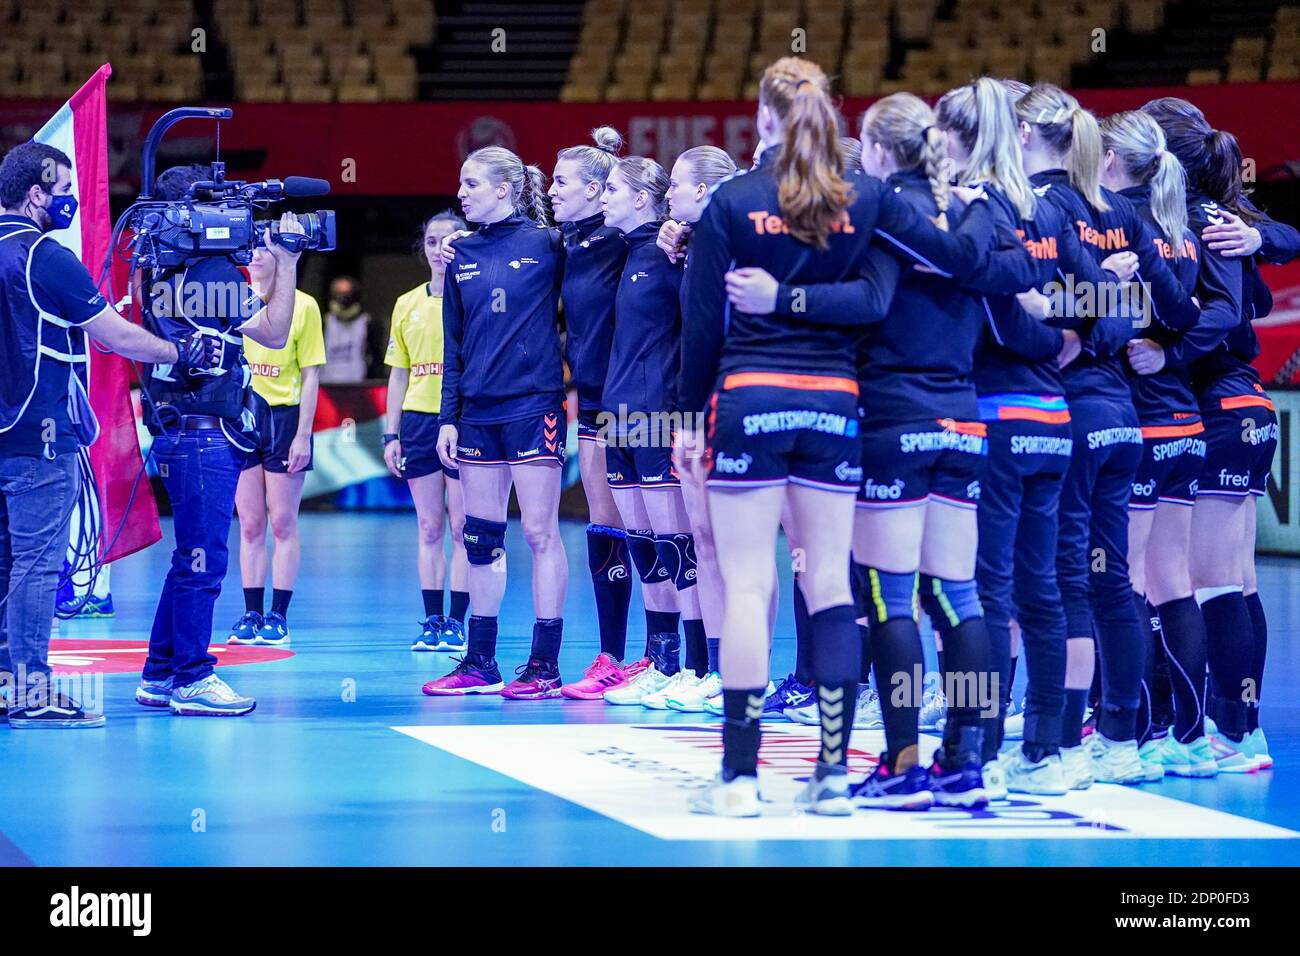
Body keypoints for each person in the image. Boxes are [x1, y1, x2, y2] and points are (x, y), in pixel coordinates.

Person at [679, 57, 1023, 817]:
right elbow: (946, 273)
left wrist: (682, 416)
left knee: (759, 587)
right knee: (866, 588)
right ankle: (859, 771)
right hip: (863, 408)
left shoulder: (734, 202)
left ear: (764, 118)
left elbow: (702, 328)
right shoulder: (864, 199)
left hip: (781, 402)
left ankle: (744, 778)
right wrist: (983, 206)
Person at [935, 77, 1117, 796]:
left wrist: (1046, 332)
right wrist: (1069, 334)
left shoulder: (976, 211)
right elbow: (1115, 305)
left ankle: (975, 746)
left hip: (998, 420)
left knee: (984, 592)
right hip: (1052, 422)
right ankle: (1048, 749)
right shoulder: (1047, 208)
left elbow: (1006, 318)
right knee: (1040, 587)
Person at [1014, 83, 1199, 784]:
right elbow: (1169, 310)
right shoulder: (1121, 213)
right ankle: (1119, 739)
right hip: (1122, 413)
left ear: (1029, 137)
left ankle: (1058, 747)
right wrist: (1106, 312)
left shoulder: (1045, 208)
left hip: (1072, 416)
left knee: (1066, 581)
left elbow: (1029, 305)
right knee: (1109, 581)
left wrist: (1064, 329)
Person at [0, 143, 217, 727]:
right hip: (39, 435)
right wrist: (182, 351)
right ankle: (28, 689)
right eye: (64, 188)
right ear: (37, 193)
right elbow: (115, 336)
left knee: (6, 563)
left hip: (7, 431)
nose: (72, 199)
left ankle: (6, 682)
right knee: (38, 564)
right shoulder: (46, 255)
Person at [1142, 97, 1299, 772]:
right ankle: (1243, 729)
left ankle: (1218, 736)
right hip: (1249, 408)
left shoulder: (1195, 220)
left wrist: (1163, 353)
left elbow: (1275, 251)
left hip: (1218, 410)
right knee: (1235, 579)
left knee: (1203, 581)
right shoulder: (1217, 214)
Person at [133, 163, 305, 717]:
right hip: (204, 434)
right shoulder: (210, 272)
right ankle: (191, 678)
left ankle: (161, 673)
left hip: (181, 429)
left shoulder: (161, 266)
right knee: (204, 560)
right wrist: (288, 263)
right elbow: (275, 333)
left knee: (190, 556)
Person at [422, 146, 570, 700]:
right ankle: (480, 662)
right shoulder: (460, 255)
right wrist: (448, 418)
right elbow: (453, 344)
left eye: (472, 184)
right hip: (476, 414)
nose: (461, 194)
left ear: (505, 189)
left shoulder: (547, 244)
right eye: (461, 184)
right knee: (479, 537)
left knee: (538, 532)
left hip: (533, 406)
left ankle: (545, 666)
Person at [588, 155, 711, 709]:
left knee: (678, 545)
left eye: (612, 188)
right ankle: (661, 664)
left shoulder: (674, 254)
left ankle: (698, 666)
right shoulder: (631, 252)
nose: (603, 196)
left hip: (661, 413)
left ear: (643, 198)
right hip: (619, 413)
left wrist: (691, 416)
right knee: (643, 547)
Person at [539, 128, 643, 698]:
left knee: (658, 523)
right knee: (604, 519)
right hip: (593, 398)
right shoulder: (567, 243)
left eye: (562, 182)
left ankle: (666, 656)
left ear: (601, 189)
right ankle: (611, 655)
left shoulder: (624, 239)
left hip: (642, 399)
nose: (552, 190)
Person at [227, 239, 325, 647]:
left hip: (284, 421)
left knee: (282, 522)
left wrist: (303, 433)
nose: (256, 254)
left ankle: (278, 616)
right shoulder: (231, 300)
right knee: (250, 524)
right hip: (242, 415)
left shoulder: (304, 306)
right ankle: (251, 612)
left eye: (264, 247)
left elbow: (312, 374)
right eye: (250, 246)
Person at [383, 212, 470, 652]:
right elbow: (398, 375)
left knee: (463, 529)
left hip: (463, 420)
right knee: (429, 527)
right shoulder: (406, 303)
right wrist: (391, 434)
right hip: (418, 422)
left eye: (449, 241)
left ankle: (457, 623)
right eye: (432, 241)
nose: (440, 250)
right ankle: (433, 621)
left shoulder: (474, 297)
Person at [320, 275, 376, 383]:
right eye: (339, 294)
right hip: (326, 389)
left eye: (347, 294)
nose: (343, 298)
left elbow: (375, 360)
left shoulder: (366, 324)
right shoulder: (324, 323)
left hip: (358, 388)